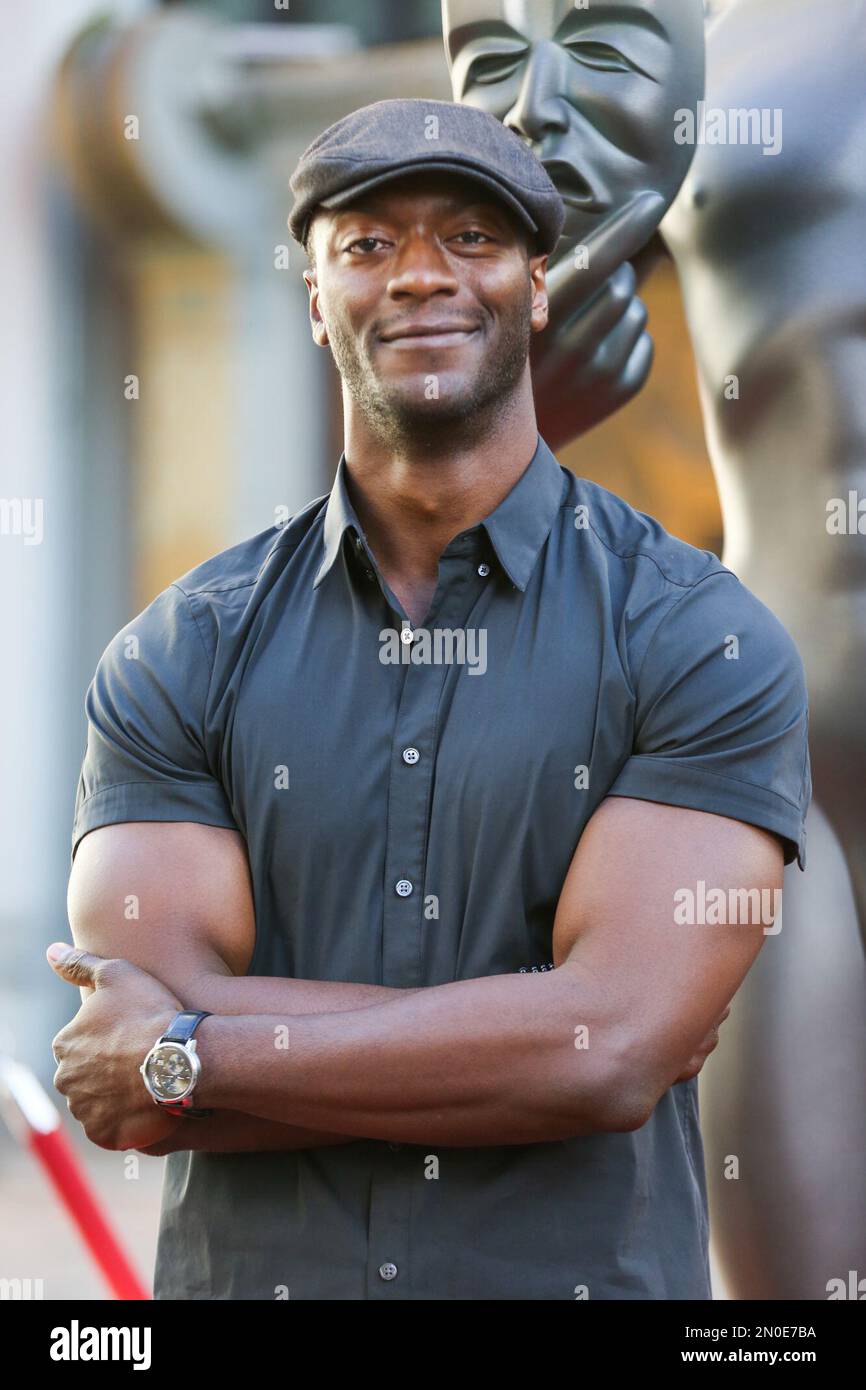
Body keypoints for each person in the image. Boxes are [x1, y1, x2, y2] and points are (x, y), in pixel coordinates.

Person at [49, 98, 810, 1301]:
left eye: (469, 238)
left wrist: (193, 1056)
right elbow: (123, 1066)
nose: (418, 276)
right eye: (365, 245)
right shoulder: (178, 651)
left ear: (536, 285)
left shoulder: (696, 635)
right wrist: (533, 1029)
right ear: (311, 295)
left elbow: (607, 1053)